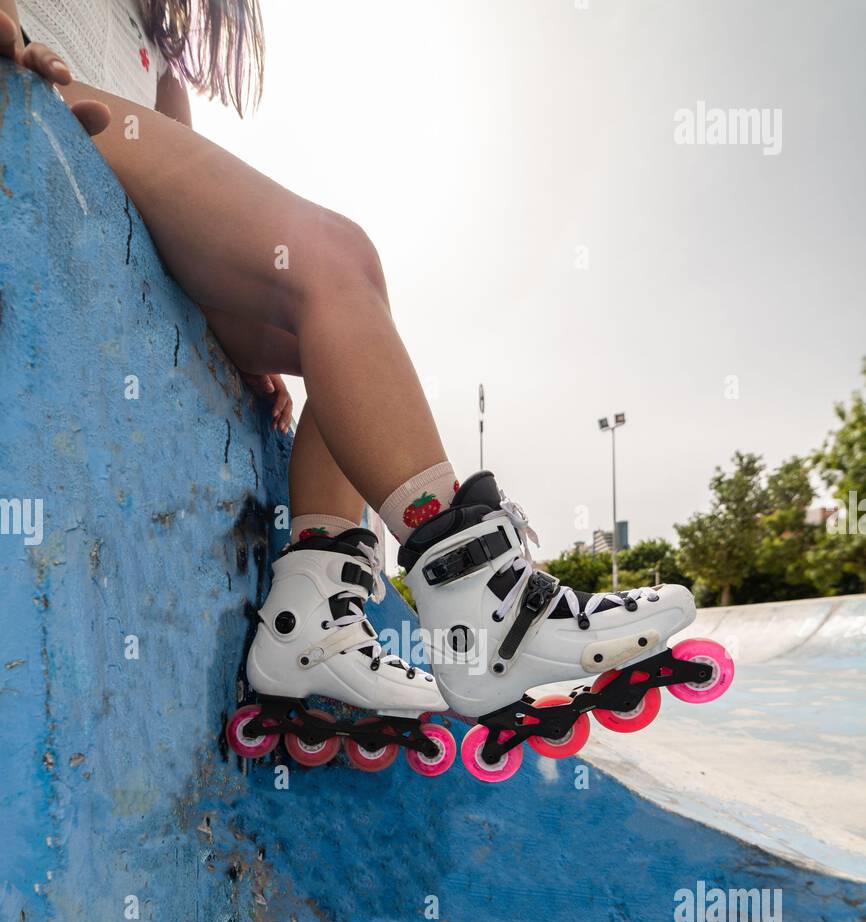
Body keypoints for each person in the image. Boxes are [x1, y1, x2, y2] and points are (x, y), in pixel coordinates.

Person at [1, 2, 705, 782]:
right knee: (337, 253)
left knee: (342, 318)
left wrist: (238, 325)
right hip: (43, 101)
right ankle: (482, 609)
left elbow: (183, 199)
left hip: (126, 206)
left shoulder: (162, 61)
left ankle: (312, 618)